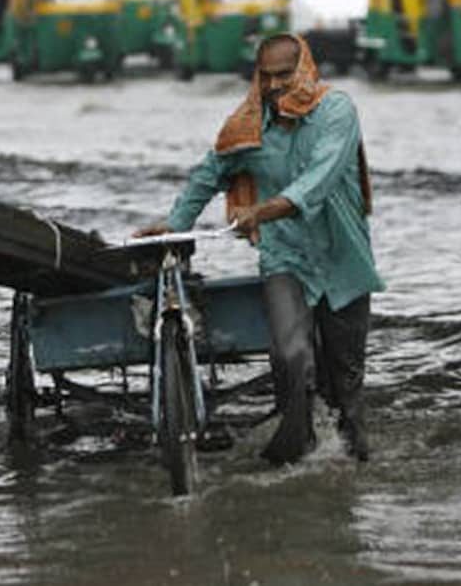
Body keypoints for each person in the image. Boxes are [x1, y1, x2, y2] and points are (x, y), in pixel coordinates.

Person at [135, 33, 385, 464]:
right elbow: (208, 174)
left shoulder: (337, 110)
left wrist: (263, 211)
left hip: (342, 257)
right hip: (284, 257)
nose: (273, 86)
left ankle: (353, 458)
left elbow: (319, 180)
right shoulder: (248, 126)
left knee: (346, 379)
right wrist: (175, 224)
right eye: (265, 76)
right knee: (291, 355)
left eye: (284, 75)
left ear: (305, 70)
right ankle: (297, 450)